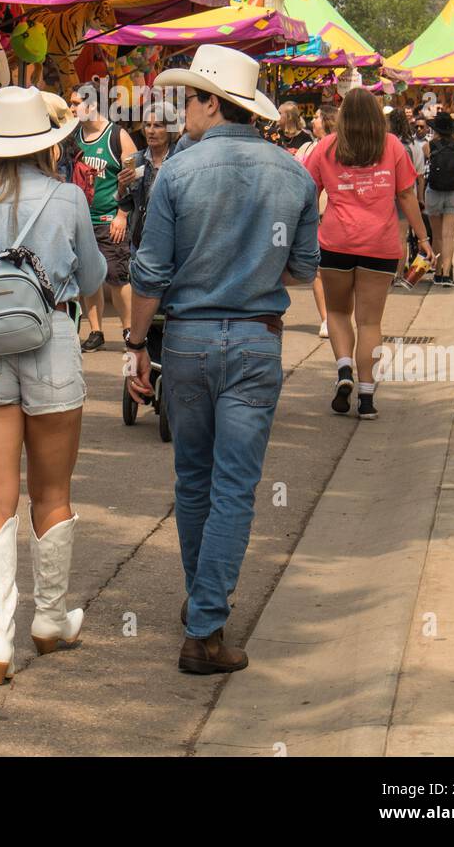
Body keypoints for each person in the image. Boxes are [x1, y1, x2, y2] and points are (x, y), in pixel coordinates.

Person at [127, 46, 320, 675]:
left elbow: (149, 273)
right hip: (257, 340)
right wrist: (253, 267)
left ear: (215, 103)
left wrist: (134, 346)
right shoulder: (293, 174)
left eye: (190, 99)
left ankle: (204, 613)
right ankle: (206, 620)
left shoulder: (176, 174)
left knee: (193, 480)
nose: (182, 111)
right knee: (234, 486)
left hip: (185, 339)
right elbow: (303, 267)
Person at [0, 87, 106, 684]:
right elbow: (91, 275)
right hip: (53, 345)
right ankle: (51, 618)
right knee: (52, 492)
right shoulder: (68, 198)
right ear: (46, 143)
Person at [305, 88, 433, 420]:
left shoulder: (325, 147)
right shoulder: (392, 146)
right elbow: (406, 196)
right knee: (370, 321)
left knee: (336, 312)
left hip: (335, 242)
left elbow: (307, 194)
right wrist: (423, 238)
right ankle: (366, 395)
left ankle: (344, 368)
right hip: (380, 245)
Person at [68, 84, 137, 351]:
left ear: (93, 105)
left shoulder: (117, 136)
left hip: (110, 220)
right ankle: (95, 330)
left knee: (117, 276)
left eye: (76, 104)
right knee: (89, 278)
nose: (72, 109)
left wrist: (122, 214)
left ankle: (129, 329)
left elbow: (133, 180)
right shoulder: (73, 137)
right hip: (83, 220)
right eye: (71, 104)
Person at [117, 97, 181, 251]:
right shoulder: (136, 160)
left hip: (169, 244)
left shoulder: (180, 161)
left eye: (158, 126)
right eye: (147, 125)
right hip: (139, 242)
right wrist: (122, 186)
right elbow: (126, 203)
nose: (151, 131)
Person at [298, 105, 338, 336]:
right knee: (318, 269)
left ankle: (338, 314)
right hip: (316, 214)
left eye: (316, 117)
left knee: (333, 270)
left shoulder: (340, 146)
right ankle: (326, 318)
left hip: (332, 214)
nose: (313, 121)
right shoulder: (308, 146)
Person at [424, 111, 454, 286]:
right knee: (449, 235)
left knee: (437, 235)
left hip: (434, 192)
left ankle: (438, 271)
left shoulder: (428, 146)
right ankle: (447, 274)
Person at [388, 107, 426, 278]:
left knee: (388, 236)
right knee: (401, 237)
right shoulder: (413, 145)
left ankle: (388, 271)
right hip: (406, 195)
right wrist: (419, 198)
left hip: (386, 195)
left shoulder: (386, 143)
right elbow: (419, 174)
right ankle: (398, 274)